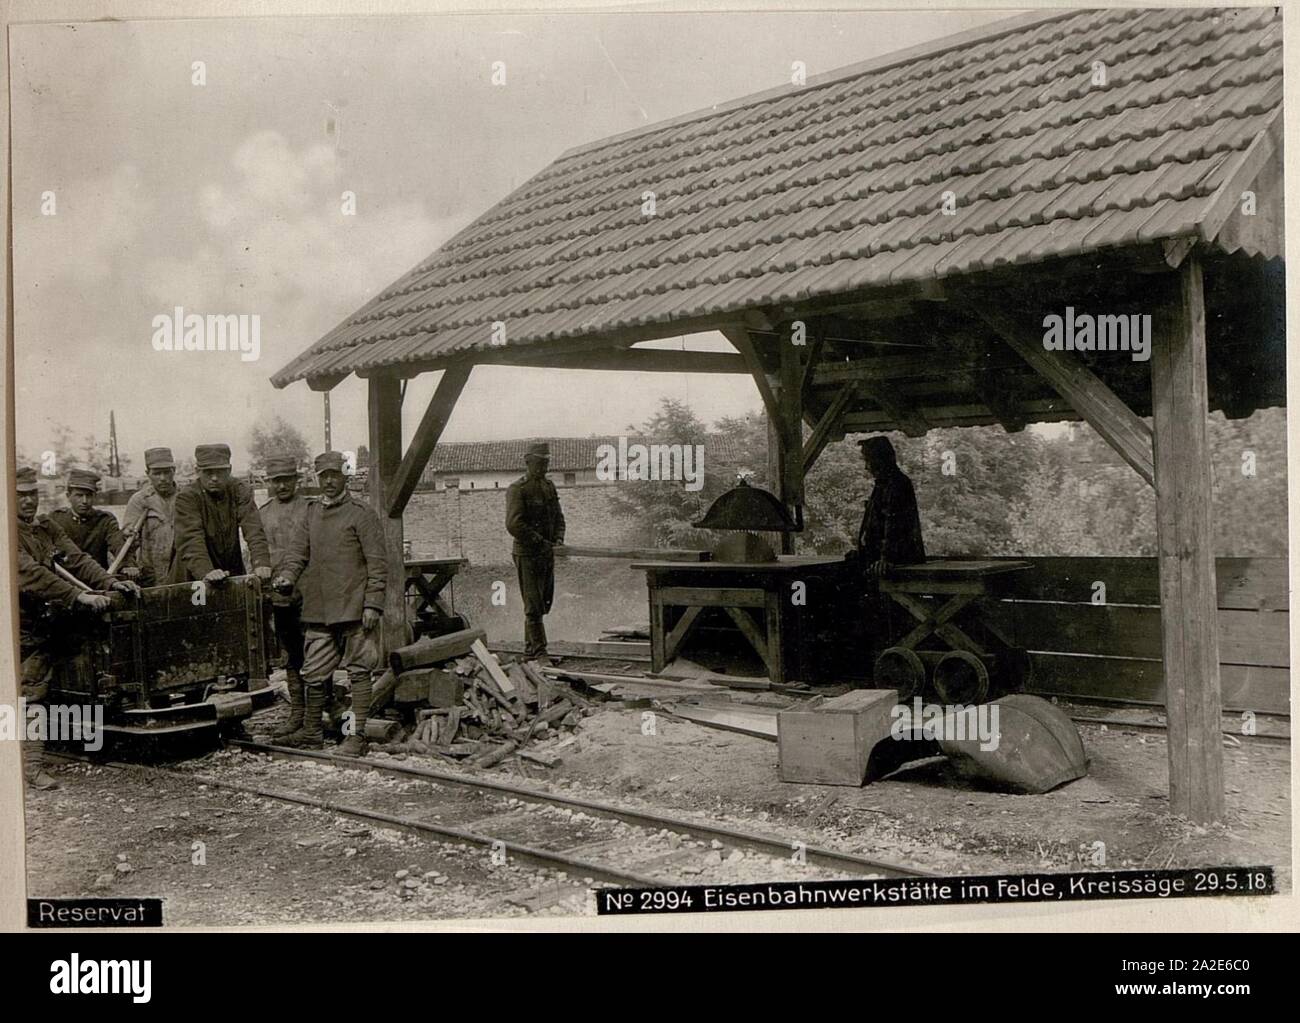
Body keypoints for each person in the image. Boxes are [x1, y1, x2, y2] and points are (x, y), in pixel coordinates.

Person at [15, 466, 141, 789]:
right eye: (20, 496)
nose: (28, 502)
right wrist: (78, 595)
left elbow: (77, 558)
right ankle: (31, 769)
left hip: (39, 622)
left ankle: (32, 761)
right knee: (31, 693)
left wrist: (110, 582)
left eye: (32, 494)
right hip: (18, 623)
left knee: (36, 689)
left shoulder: (44, 526)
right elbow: (30, 575)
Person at [273, 451, 387, 755]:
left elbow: (377, 564)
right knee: (313, 673)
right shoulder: (310, 514)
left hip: (354, 609)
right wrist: (286, 576)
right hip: (319, 610)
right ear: (316, 478)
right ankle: (311, 733)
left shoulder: (361, 513)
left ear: (344, 476)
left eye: (334, 474)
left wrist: (373, 605)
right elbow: (297, 553)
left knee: (360, 671)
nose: (329, 481)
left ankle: (356, 736)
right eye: (323, 476)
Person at [257, 454, 313, 739]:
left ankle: (319, 714)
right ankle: (297, 715)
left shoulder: (310, 509)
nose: (282, 486)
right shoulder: (263, 514)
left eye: (287, 480)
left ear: (297, 480)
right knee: (291, 656)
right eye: (276, 481)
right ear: (269, 483)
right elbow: (257, 553)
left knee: (316, 653)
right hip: (280, 598)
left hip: (311, 594)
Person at [168, 443, 272, 585]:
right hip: (193, 573)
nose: (215, 478)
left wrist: (261, 563)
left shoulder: (240, 490)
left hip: (229, 566)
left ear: (229, 470)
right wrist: (205, 570)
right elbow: (190, 539)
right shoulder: (187, 497)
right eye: (208, 472)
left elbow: (254, 530)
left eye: (220, 471)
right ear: (197, 471)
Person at [505, 442, 565, 659]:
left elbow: (559, 517)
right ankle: (539, 652)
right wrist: (539, 541)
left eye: (546, 462)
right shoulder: (517, 489)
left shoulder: (549, 487)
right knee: (533, 604)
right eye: (540, 462)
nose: (544, 467)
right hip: (527, 554)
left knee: (544, 601)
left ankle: (531, 649)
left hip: (546, 553)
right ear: (528, 461)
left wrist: (559, 538)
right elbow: (514, 524)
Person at [847, 436, 926, 577]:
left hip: (895, 565)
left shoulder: (897, 484)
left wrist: (886, 558)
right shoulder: (883, 484)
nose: (866, 467)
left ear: (879, 460)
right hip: (879, 561)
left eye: (868, 461)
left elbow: (894, 524)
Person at [47, 468, 127, 570]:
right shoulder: (56, 518)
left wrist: (128, 565)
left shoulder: (105, 520)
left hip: (99, 579)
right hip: (65, 580)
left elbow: (118, 544)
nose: (84, 501)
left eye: (88, 496)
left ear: (94, 496)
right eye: (79, 496)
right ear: (68, 496)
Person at [121, 447, 179, 586]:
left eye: (167, 472)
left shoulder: (186, 497)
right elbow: (127, 540)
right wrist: (131, 565)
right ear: (148, 473)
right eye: (157, 473)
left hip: (181, 570)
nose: (163, 478)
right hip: (151, 574)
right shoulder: (140, 500)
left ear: (174, 471)